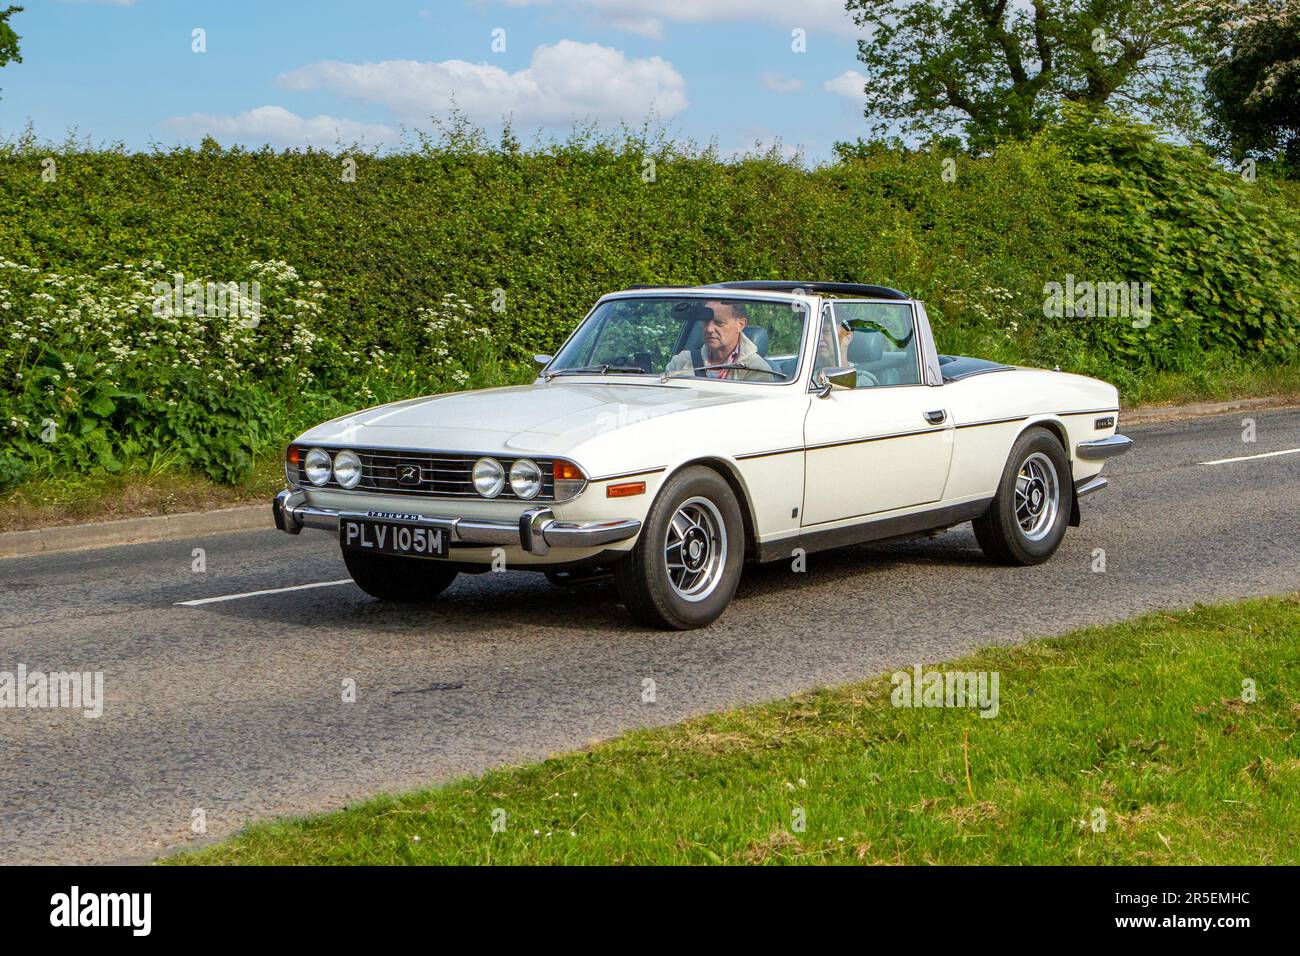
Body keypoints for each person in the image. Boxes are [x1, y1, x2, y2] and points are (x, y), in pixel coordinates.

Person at [665, 300, 777, 381]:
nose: (709, 329)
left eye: (719, 323)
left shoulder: (756, 369)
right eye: (705, 321)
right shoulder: (681, 361)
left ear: (740, 324)